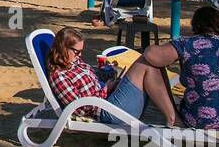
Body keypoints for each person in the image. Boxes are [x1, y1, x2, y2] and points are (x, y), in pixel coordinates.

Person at [130, 6, 219, 132]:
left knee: (151, 64)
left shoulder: (191, 43)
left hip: (203, 120)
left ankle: (173, 119)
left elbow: (151, 55)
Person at [45, 27, 178, 126]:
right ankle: (173, 117)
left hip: (110, 101)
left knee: (152, 64)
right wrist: (105, 90)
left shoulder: (74, 62)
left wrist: (108, 78)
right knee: (145, 62)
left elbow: (90, 78)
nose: (80, 55)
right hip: (107, 113)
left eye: (81, 51)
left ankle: (172, 113)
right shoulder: (59, 76)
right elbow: (78, 108)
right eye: (76, 51)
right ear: (63, 48)